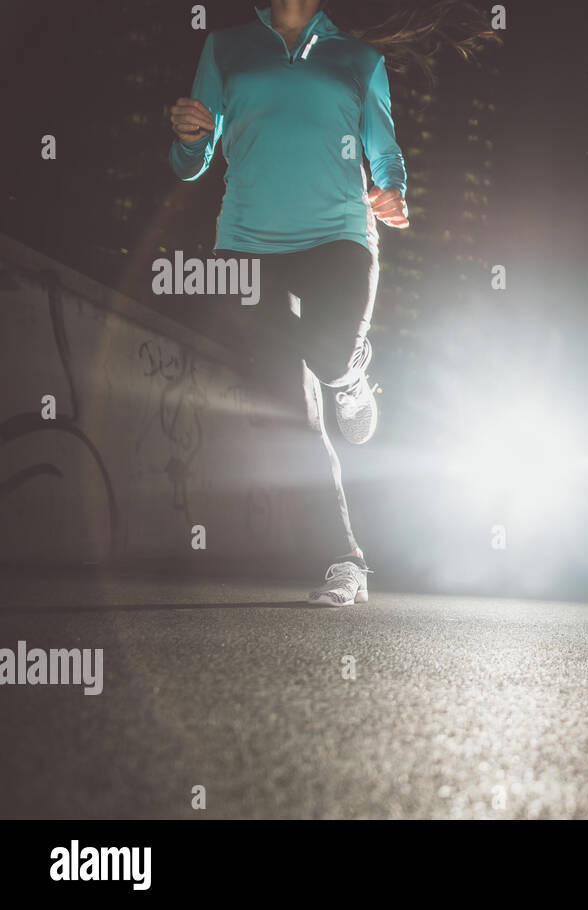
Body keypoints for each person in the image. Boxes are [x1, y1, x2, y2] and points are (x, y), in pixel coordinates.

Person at [168, 0, 492, 604]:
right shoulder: (225, 46)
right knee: (289, 408)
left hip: (338, 233)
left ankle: (348, 373)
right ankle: (345, 560)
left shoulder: (358, 55)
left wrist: (392, 191)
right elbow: (193, 161)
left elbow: (384, 148)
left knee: (327, 348)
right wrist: (189, 139)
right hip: (245, 243)